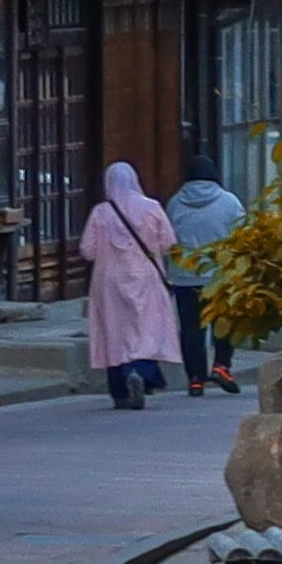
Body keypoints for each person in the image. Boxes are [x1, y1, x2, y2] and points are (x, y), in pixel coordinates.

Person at [84, 161, 183, 411]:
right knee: (147, 327)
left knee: (115, 332)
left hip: (109, 280)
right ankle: (140, 370)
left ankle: (120, 388)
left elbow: (87, 250)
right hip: (146, 275)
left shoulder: (101, 212)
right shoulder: (152, 207)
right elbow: (168, 242)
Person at [163, 152, 251, 398]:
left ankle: (195, 378)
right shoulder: (229, 201)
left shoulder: (175, 203)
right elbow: (241, 236)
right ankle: (222, 365)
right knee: (224, 323)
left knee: (191, 328)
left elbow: (169, 238)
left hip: (185, 276)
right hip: (221, 274)